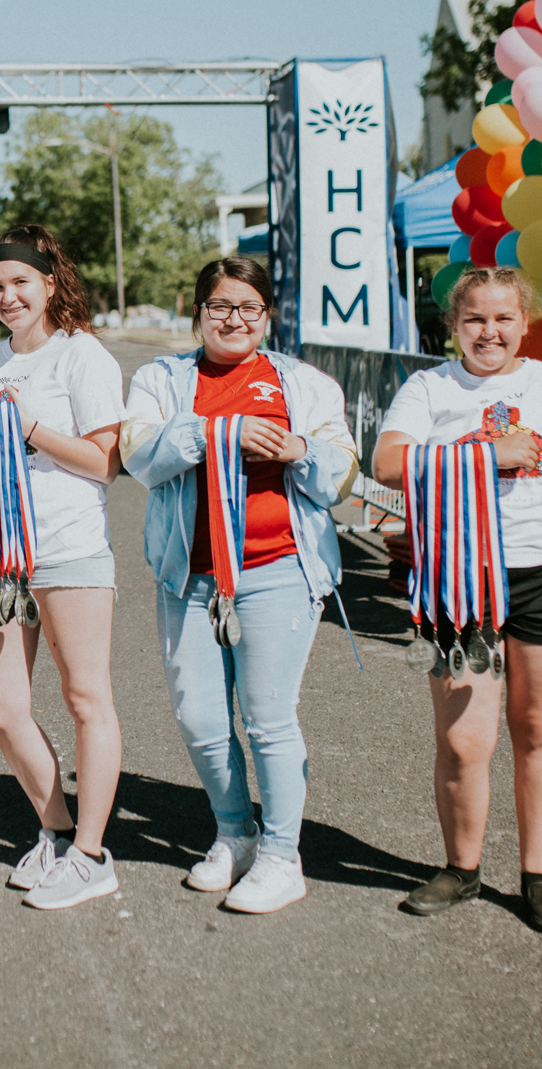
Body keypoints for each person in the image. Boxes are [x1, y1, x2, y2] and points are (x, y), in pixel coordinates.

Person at [371, 264, 542, 934]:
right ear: (454, 325)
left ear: (524, 323)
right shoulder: (430, 386)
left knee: (540, 728)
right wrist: (487, 450)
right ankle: (461, 868)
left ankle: (538, 877)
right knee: (462, 738)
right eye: (475, 318)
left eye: (504, 318)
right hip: (460, 577)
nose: (490, 331)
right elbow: (388, 461)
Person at [121, 256, 357, 914]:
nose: (234, 319)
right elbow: (139, 454)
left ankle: (284, 855)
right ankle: (236, 833)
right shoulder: (162, 378)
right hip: (189, 575)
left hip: (279, 568)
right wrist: (211, 432)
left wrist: (300, 451)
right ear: (195, 312)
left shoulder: (300, 382)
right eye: (220, 306)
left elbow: (341, 472)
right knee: (199, 715)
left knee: (267, 716)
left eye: (249, 307)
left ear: (268, 316)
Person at [0, 224, 125, 910]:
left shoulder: (82, 356)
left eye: (21, 281)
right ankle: (55, 832)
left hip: (68, 547)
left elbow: (104, 462)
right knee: (0, 703)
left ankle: (91, 853)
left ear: (50, 282)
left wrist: (28, 430)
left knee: (87, 698)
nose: (8, 295)